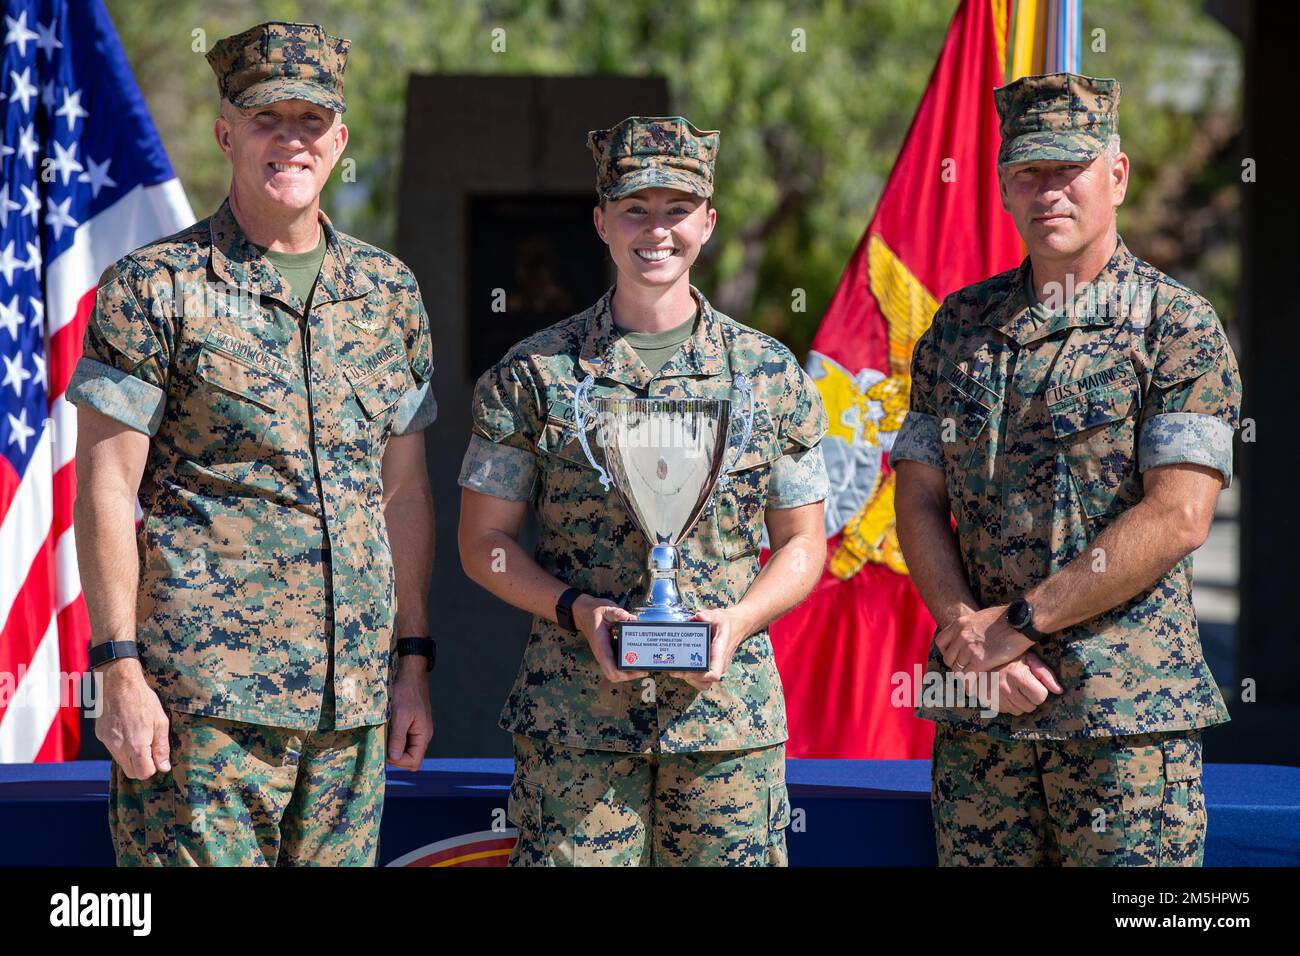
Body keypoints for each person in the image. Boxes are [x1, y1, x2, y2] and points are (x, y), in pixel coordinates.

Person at [67, 20, 438, 866]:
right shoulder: (153, 289)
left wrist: (411, 664)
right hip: (200, 708)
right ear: (226, 133)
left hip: (350, 715)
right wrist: (118, 669)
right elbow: (105, 488)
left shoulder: (387, 294)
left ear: (340, 141)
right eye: (268, 118)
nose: (291, 140)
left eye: (311, 121)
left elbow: (404, 492)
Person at [457, 116, 829, 866]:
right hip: (576, 730)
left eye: (676, 209)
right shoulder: (537, 374)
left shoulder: (768, 376)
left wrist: (740, 619)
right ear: (600, 221)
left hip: (725, 727)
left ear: (709, 221)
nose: (656, 231)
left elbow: (803, 542)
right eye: (634, 209)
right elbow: (482, 544)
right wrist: (577, 609)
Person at [892, 73, 1241, 866]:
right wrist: (963, 633)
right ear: (1004, 187)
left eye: (1068, 168)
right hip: (983, 722)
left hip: (1121, 722)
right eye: (1027, 172)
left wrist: (1016, 626)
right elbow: (917, 497)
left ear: (1116, 175)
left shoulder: (1175, 326)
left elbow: (1179, 516)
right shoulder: (959, 327)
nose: (1048, 190)